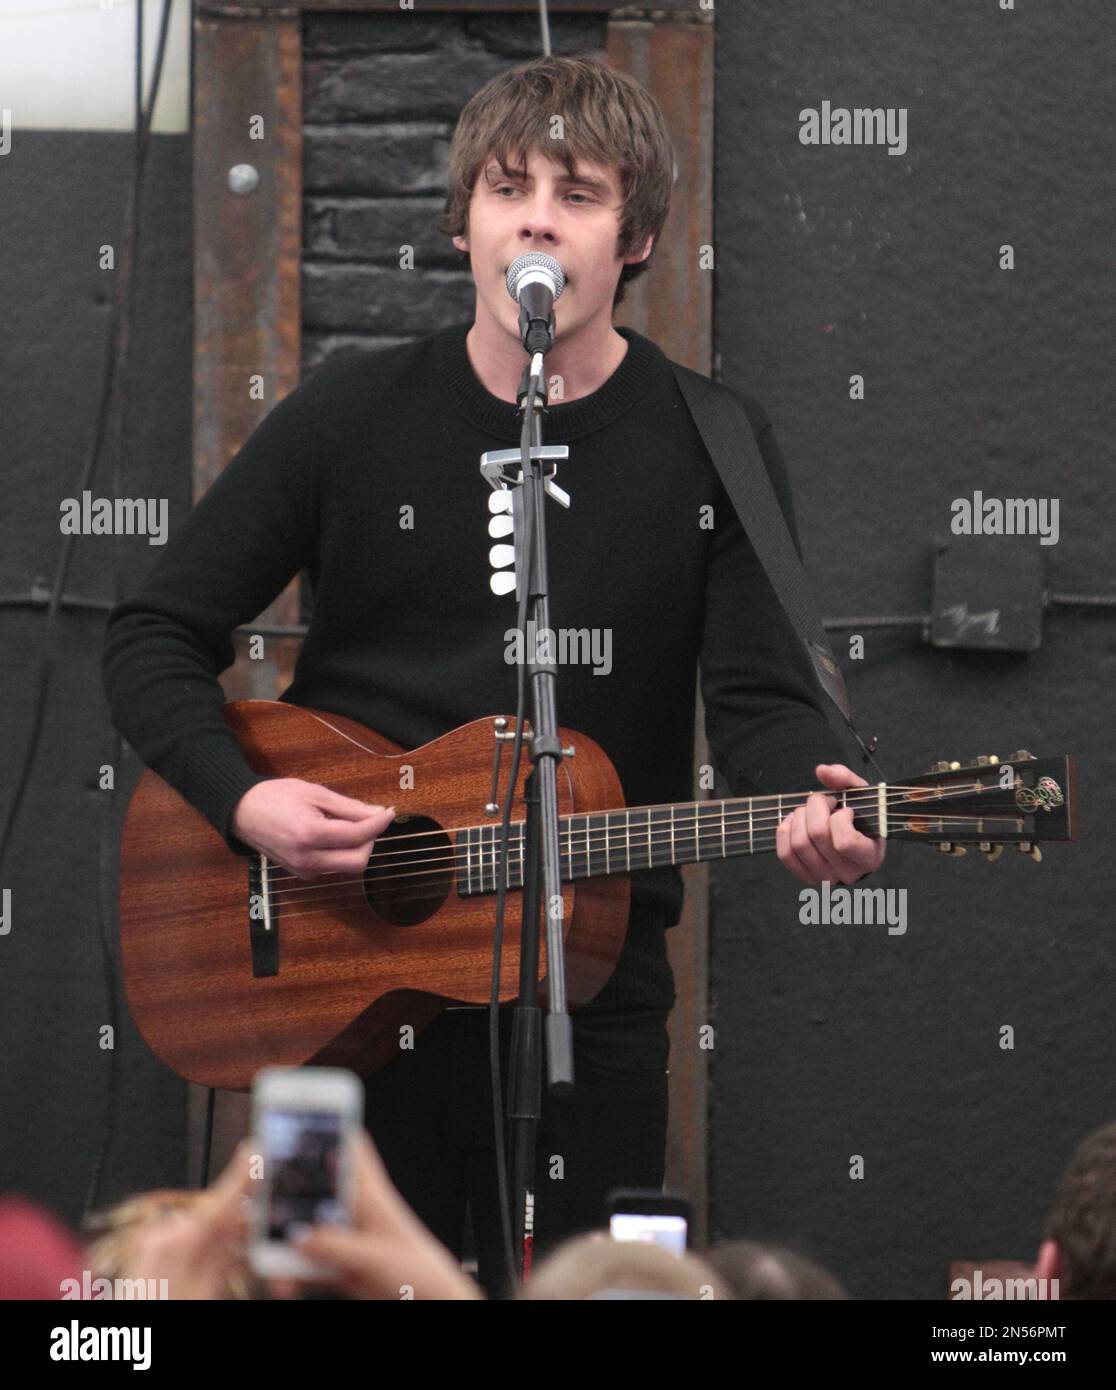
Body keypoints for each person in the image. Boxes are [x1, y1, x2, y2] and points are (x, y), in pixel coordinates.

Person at [103, 55, 884, 1298]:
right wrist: (245, 802)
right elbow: (149, 635)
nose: (534, 217)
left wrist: (816, 793)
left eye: (577, 193)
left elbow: (763, 701)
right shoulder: (344, 416)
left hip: (589, 999)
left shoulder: (712, 442)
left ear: (634, 240)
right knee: (306, 1281)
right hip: (321, 997)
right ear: (461, 221)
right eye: (507, 187)